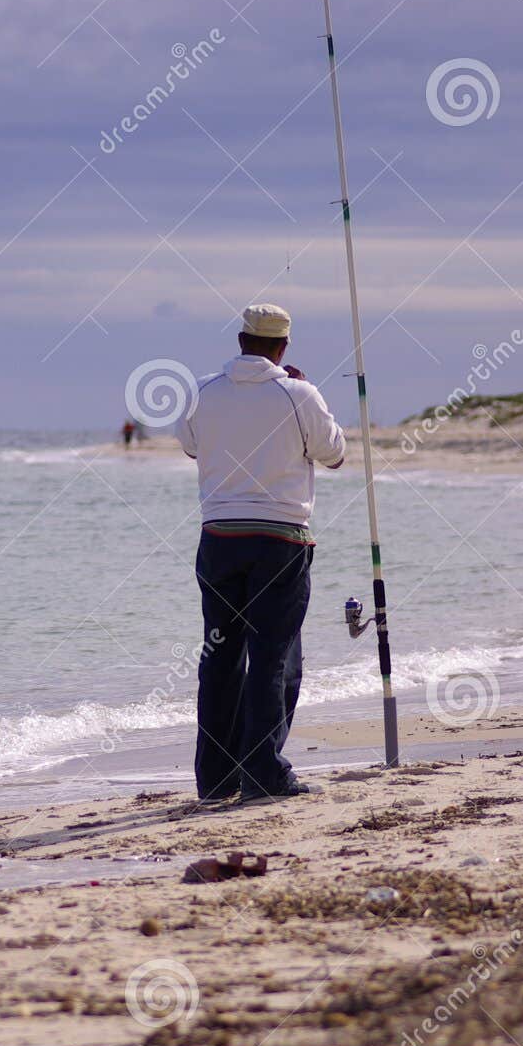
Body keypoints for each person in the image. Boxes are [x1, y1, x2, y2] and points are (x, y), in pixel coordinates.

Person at [174, 304, 347, 805]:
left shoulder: (203, 390)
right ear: (283, 347)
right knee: (274, 656)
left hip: (219, 538)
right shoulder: (299, 393)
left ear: (241, 339)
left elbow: (190, 446)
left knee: (220, 656)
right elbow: (334, 453)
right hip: (281, 540)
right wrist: (305, 393)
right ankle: (263, 772)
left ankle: (215, 778)